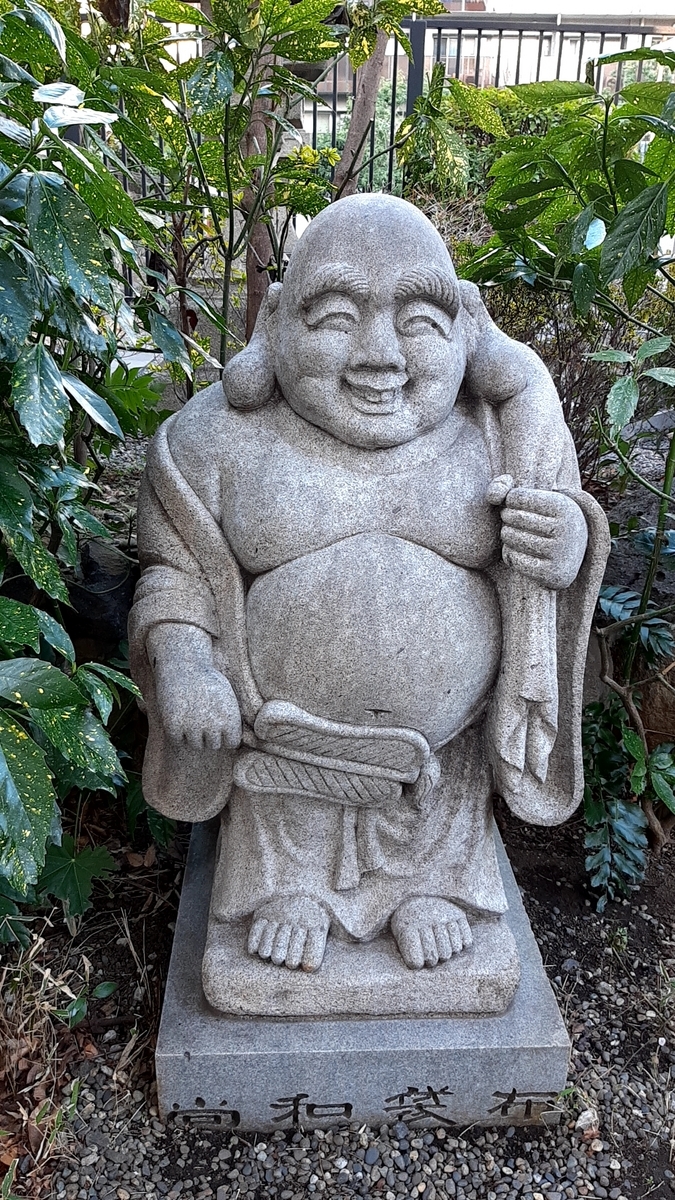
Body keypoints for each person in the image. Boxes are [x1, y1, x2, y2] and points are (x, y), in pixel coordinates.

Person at [129, 194, 609, 981]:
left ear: (466, 326)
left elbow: (551, 573)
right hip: (281, 749)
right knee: (283, 798)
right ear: (276, 320)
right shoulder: (215, 441)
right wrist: (183, 663)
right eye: (336, 318)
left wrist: (562, 545)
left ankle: (429, 887)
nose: (379, 355)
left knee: (439, 795)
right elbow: (174, 574)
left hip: (440, 764)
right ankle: (286, 890)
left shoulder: (494, 430)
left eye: (418, 320)